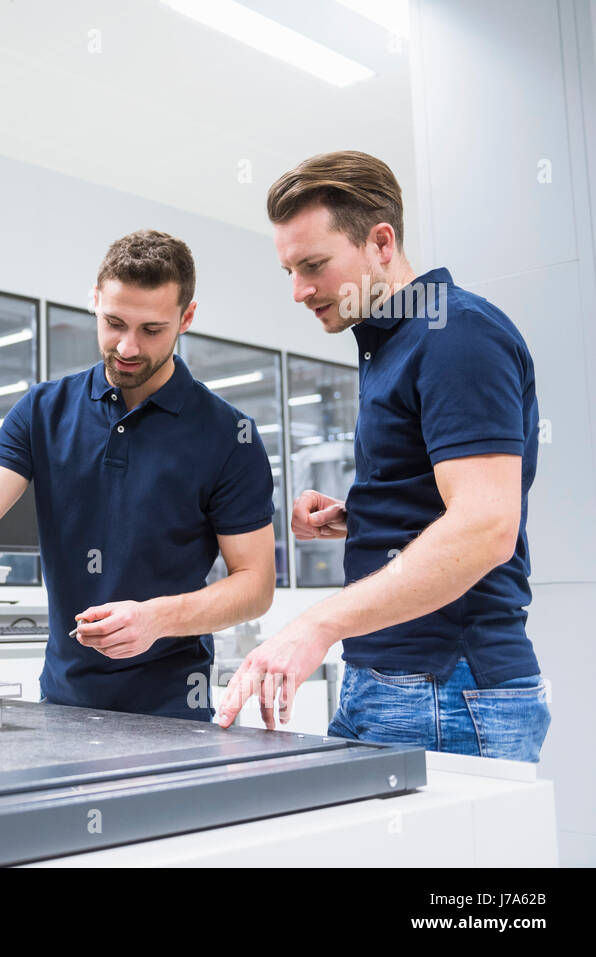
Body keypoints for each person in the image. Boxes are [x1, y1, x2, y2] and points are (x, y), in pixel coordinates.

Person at [217, 151, 551, 761]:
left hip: (444, 689)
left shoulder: (456, 335)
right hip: (391, 678)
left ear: (380, 242)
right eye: (289, 270)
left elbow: (486, 527)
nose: (298, 291)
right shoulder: (394, 342)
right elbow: (449, 501)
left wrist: (316, 624)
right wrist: (368, 515)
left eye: (314, 265)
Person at [0, 230, 276, 719]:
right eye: (114, 322)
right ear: (95, 302)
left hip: (173, 712)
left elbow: (256, 584)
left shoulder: (229, 435)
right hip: (62, 705)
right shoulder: (42, 411)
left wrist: (157, 618)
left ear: (186, 318)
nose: (127, 346)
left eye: (152, 329)